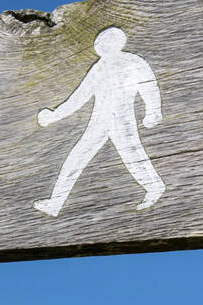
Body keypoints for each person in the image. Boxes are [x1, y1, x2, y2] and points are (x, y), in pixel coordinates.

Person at [33, 27, 165, 217]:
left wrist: (153, 112)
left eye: (104, 42)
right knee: (76, 157)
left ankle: (155, 187)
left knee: (134, 156)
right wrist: (54, 115)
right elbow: (79, 97)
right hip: (100, 122)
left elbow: (149, 87)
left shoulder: (133, 62)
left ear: (116, 42)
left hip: (122, 120)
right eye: (99, 43)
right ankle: (55, 202)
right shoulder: (100, 67)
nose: (100, 46)